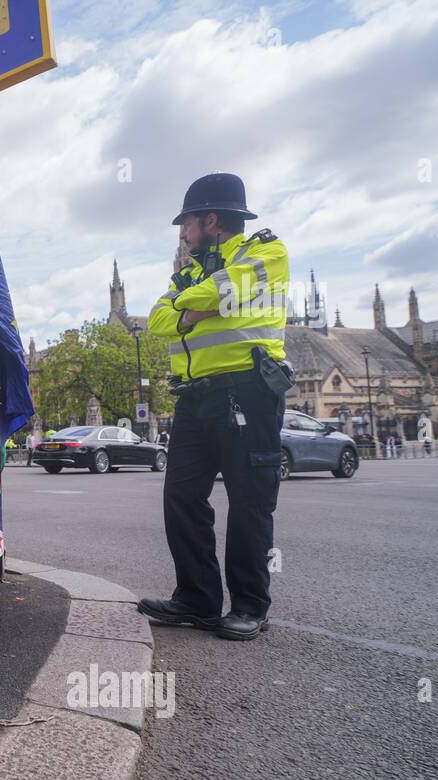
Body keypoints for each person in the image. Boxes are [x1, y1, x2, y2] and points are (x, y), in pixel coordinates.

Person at [137, 173, 290, 642]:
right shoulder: (191, 271)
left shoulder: (265, 252)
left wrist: (201, 302)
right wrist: (199, 304)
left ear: (210, 219)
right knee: (181, 497)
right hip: (195, 396)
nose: (182, 234)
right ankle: (198, 598)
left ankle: (249, 605)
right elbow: (159, 320)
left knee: (248, 502)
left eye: (186, 224)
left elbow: (222, 291)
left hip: (248, 391)